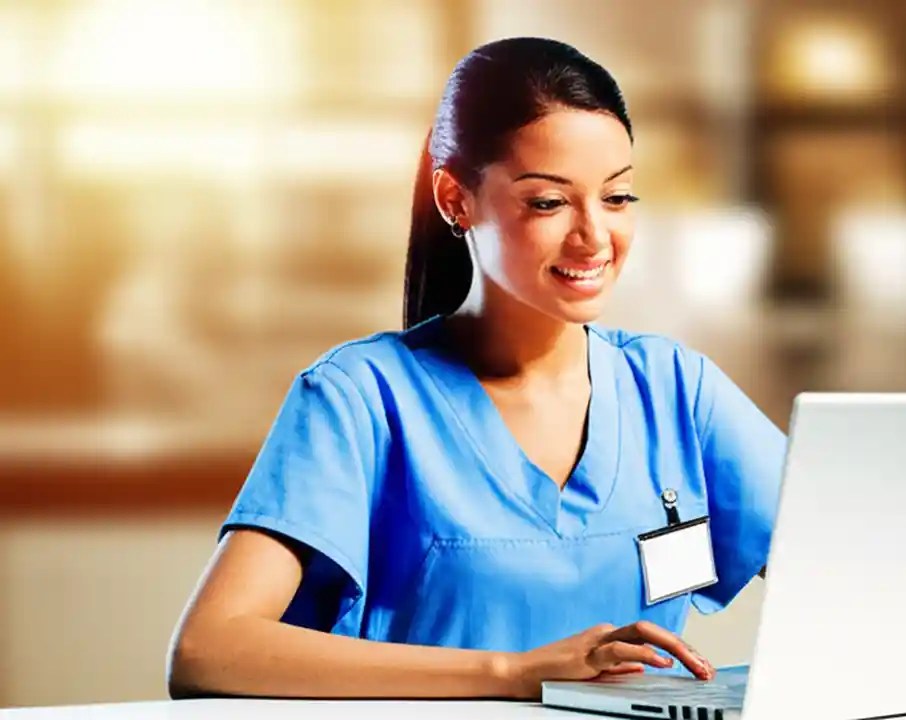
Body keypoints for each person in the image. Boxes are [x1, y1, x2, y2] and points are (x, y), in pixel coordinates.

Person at [167, 37, 785, 701]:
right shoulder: (361, 399)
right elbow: (210, 649)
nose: (594, 237)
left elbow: (855, 567)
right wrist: (514, 676)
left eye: (617, 198)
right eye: (549, 202)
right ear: (456, 199)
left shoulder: (674, 389)